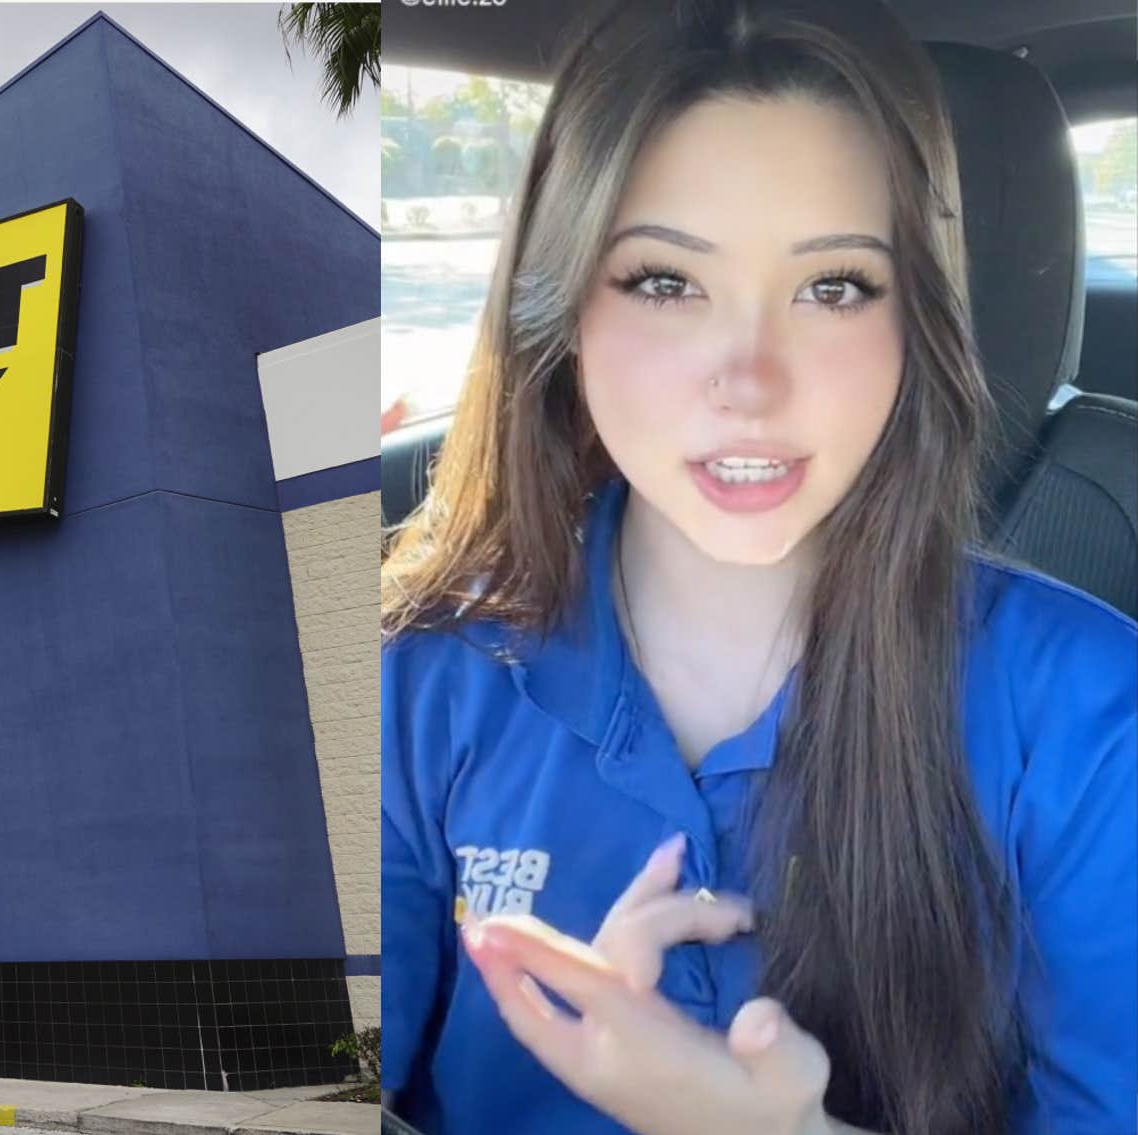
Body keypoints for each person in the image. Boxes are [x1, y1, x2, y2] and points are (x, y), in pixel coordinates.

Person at [377, 1, 1136, 1133]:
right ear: (565, 305)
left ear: (913, 314)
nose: (749, 378)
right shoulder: (416, 680)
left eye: (832, 286)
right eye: (663, 281)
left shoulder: (1086, 710)